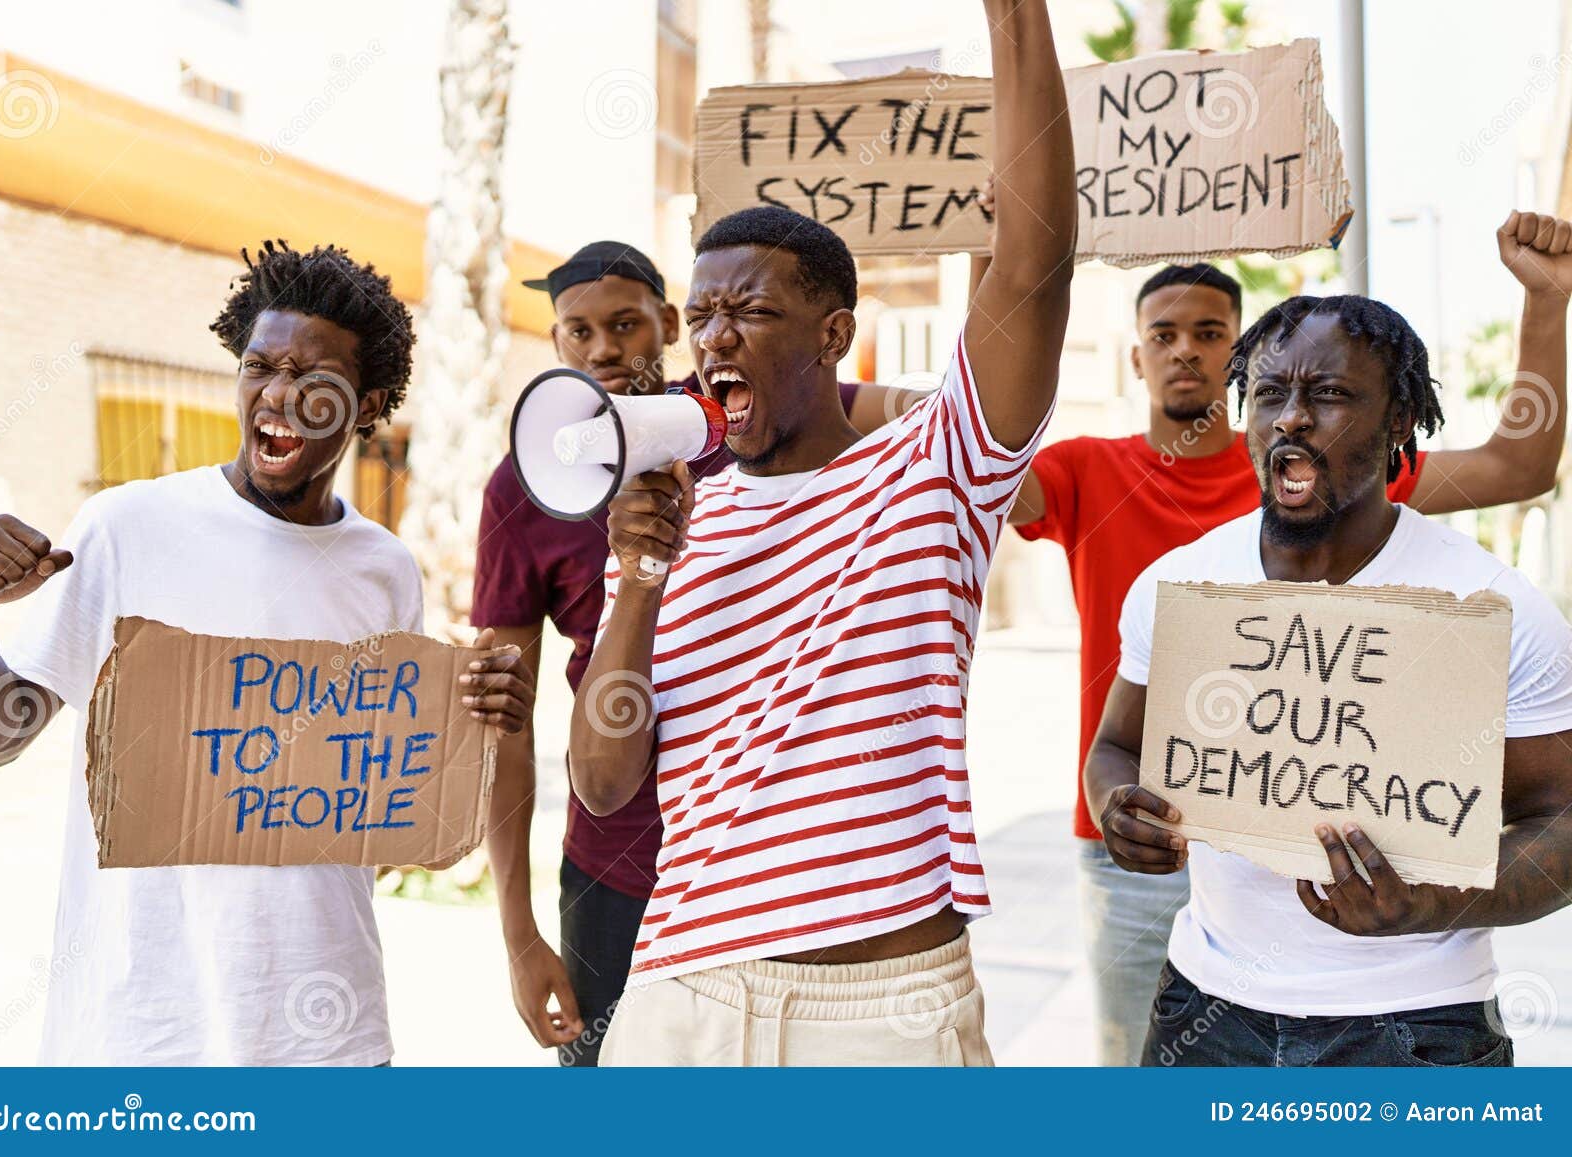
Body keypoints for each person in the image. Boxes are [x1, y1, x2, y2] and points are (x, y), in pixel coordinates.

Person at [565, 0, 1072, 1067]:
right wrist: (640, 580)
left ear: (833, 333)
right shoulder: (672, 518)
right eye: (698, 317)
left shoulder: (936, 467)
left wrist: (1015, 18)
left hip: (876, 1016)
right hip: (681, 996)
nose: (711, 337)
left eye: (745, 310)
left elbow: (1031, 267)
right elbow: (604, 784)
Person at [981, 210, 1572, 1065]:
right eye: (1270, 393)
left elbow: (1560, 821)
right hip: (1208, 1015)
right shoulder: (1180, 586)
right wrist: (1117, 804)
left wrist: (1434, 903)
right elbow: (1116, 746)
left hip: (1416, 1027)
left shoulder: (1490, 606)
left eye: (1329, 395)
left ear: (1400, 417)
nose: (1293, 418)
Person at [0, 241, 531, 1065]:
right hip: (142, 1038)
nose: (279, 396)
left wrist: (474, 725)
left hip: (326, 1036)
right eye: (260, 366)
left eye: (315, 380)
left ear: (368, 402)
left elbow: (386, 816)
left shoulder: (384, 570)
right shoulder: (127, 527)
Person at [474, 241, 898, 1065]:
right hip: (613, 870)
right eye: (578, 332)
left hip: (760, 860)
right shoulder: (524, 484)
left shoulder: (743, 421)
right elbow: (508, 725)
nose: (602, 349)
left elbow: (877, 408)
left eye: (626, 324)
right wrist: (520, 936)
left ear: (671, 325)